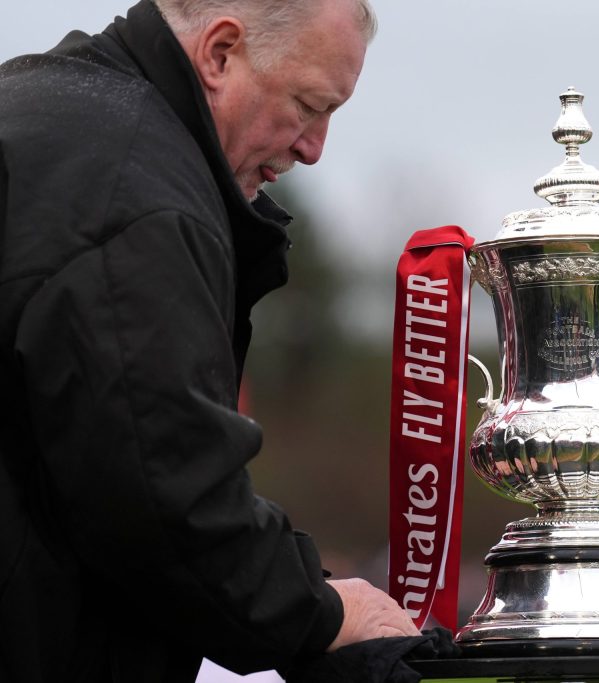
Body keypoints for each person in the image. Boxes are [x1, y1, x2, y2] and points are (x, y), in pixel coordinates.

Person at [0, 1, 419, 681]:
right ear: (220, 54)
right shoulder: (136, 201)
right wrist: (324, 611)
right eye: (310, 104)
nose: (314, 147)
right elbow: (164, 498)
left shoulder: (38, 107)